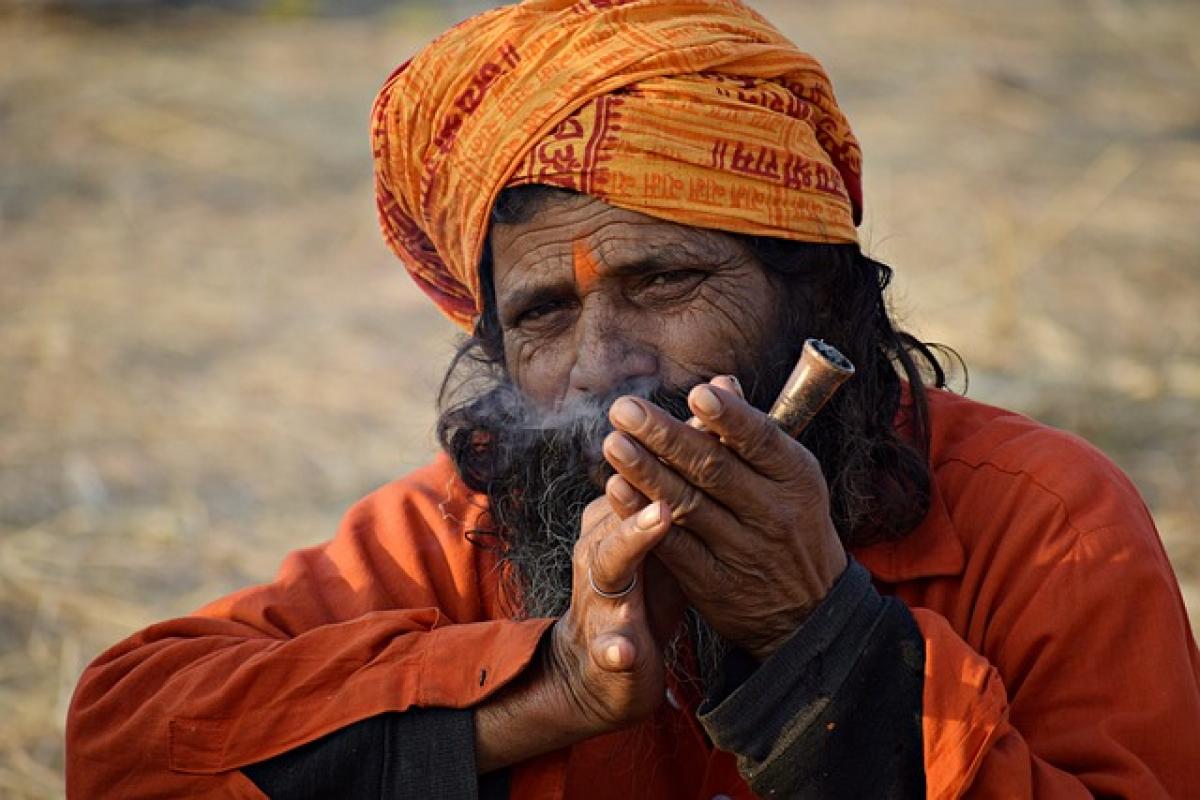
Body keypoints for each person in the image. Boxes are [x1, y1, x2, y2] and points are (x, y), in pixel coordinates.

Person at [66, 0, 1200, 797]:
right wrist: (548, 687)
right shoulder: (462, 530)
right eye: (545, 316)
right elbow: (124, 742)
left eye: (665, 279)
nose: (604, 364)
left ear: (818, 296)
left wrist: (823, 637)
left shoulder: (1045, 524)